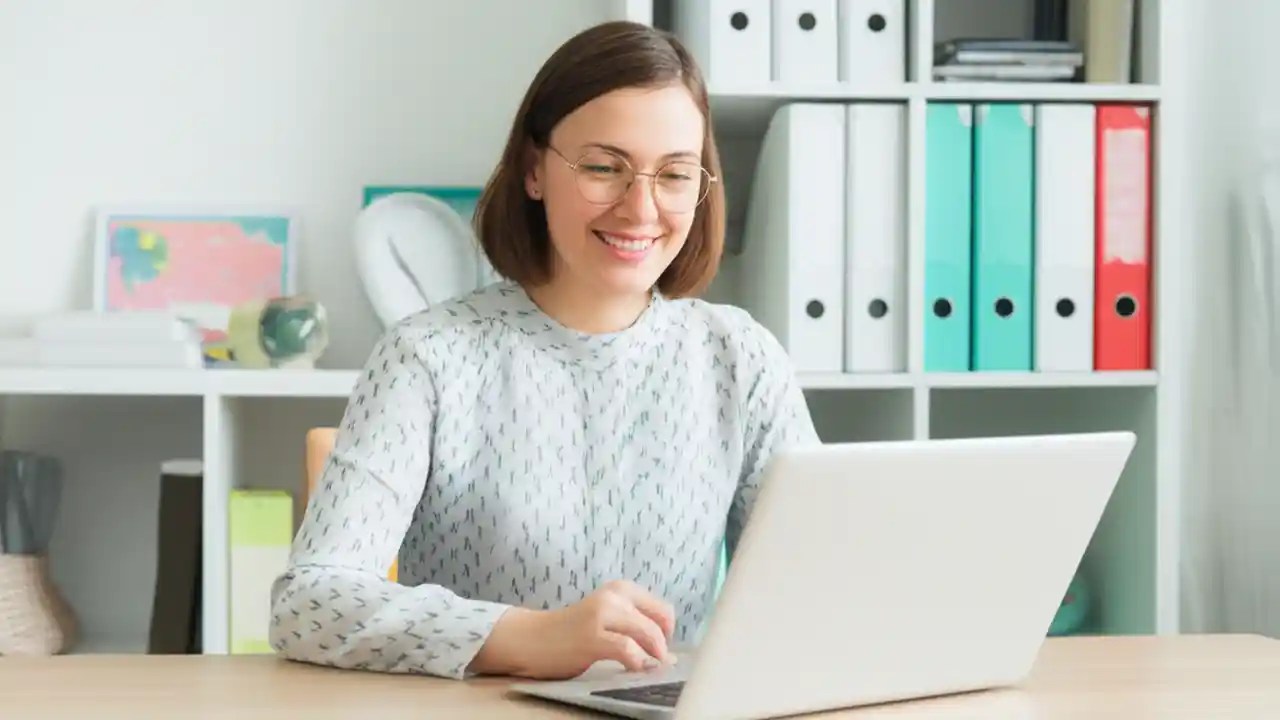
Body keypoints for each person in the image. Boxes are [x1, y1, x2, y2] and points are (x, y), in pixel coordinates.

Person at [268, 19, 819, 681]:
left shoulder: (742, 359)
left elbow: (820, 590)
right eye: (603, 167)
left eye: (675, 175)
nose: (641, 209)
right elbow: (309, 603)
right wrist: (528, 637)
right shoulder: (429, 356)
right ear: (534, 170)